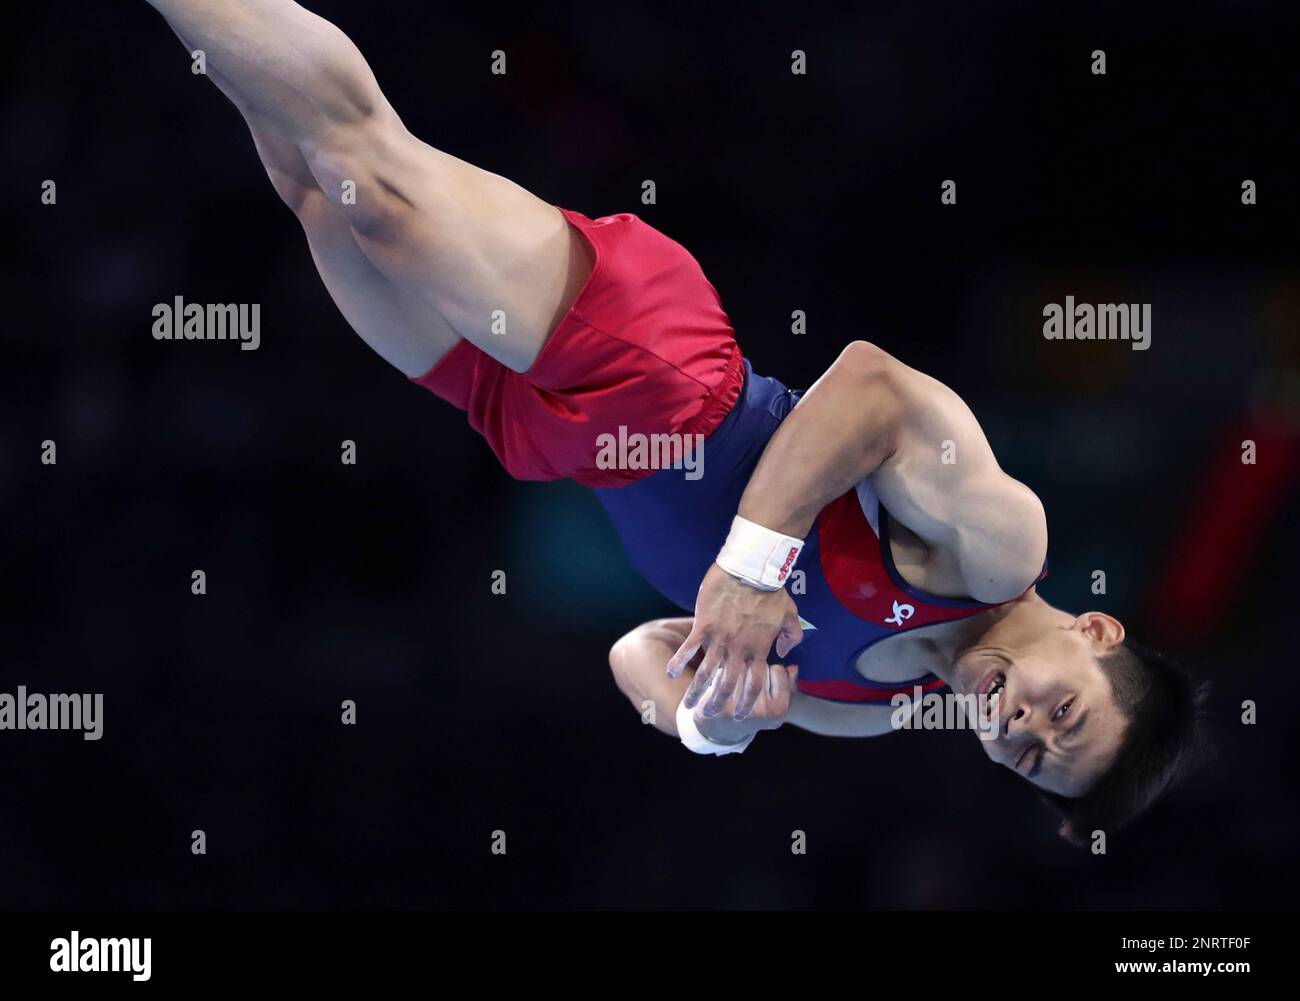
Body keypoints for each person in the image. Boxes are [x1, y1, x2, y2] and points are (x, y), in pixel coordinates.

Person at [141, 0, 1205, 842]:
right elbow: (873, 386)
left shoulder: (859, 705)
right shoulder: (997, 549)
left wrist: (704, 722)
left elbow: (642, 647)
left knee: (311, 194)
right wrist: (751, 565)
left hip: (549, 442)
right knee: (365, 175)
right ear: (1094, 632)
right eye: (1061, 711)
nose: (1017, 721)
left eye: (1026, 752)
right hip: (660, 370)